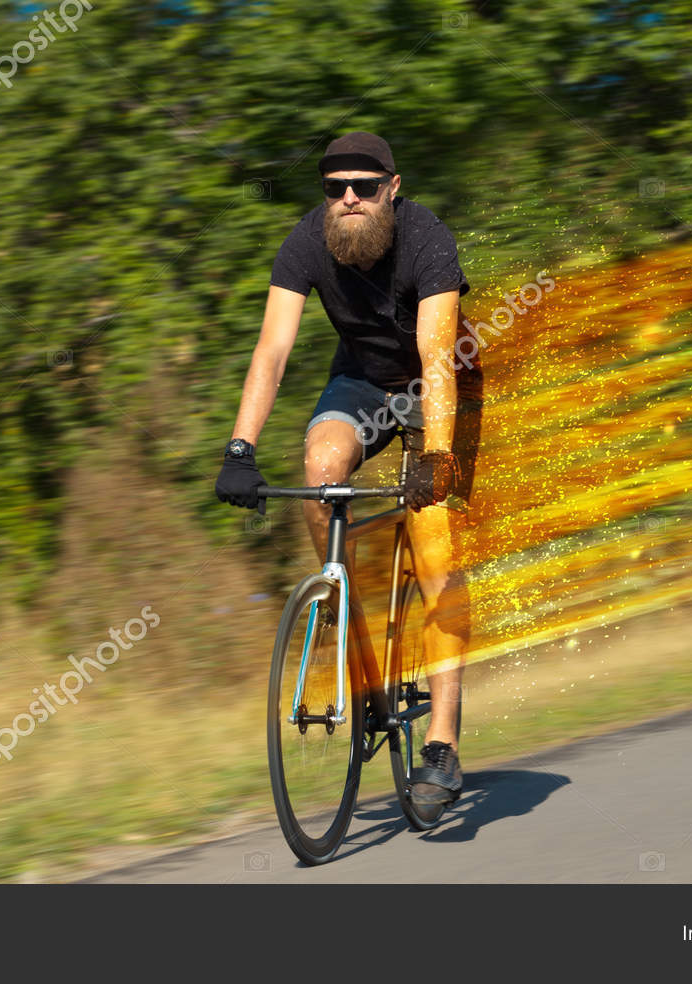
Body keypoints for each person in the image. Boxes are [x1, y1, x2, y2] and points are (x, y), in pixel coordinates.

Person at [215, 131, 481, 812]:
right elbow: (272, 350)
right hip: (361, 384)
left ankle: (443, 746)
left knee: (434, 544)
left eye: (364, 185)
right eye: (336, 189)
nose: (350, 199)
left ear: (394, 187)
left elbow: (434, 356)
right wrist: (240, 448)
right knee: (321, 463)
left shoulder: (428, 239)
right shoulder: (306, 242)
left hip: (438, 384)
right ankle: (353, 644)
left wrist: (437, 455)